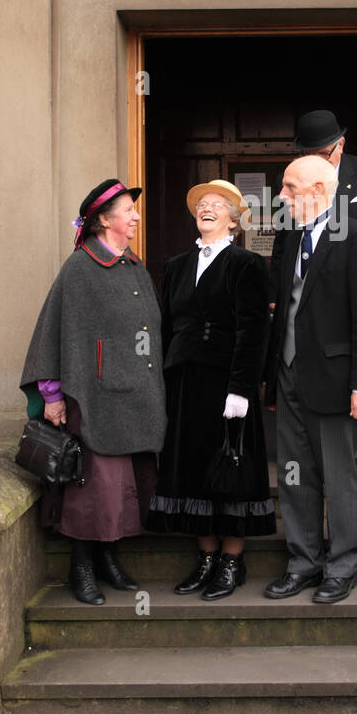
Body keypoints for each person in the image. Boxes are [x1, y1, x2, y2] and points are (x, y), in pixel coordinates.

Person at [20, 179, 167, 606]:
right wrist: (51, 395)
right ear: (104, 220)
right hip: (94, 399)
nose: (136, 216)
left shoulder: (134, 266)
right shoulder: (80, 268)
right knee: (92, 489)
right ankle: (80, 567)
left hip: (134, 398)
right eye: (127, 210)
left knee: (126, 489)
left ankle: (108, 559)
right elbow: (53, 333)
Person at [143, 179, 276, 600]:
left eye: (217, 205)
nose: (207, 208)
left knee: (230, 469)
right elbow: (167, 326)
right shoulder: (176, 265)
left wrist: (240, 389)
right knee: (193, 469)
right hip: (184, 382)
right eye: (201, 204)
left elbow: (253, 332)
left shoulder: (247, 265)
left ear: (234, 220)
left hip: (227, 385)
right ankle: (205, 558)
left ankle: (231, 561)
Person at [263, 155, 357, 604]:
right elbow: (285, 310)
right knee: (295, 477)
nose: (281, 197)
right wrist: (270, 375)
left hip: (337, 383)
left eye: (289, 188)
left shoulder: (355, 239)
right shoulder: (292, 237)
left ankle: (342, 566)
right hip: (290, 375)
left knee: (338, 479)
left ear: (318, 191)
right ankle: (303, 563)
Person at [268, 109, 357, 479]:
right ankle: (315, 456)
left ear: (340, 145)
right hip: (315, 295)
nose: (315, 160)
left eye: (323, 153)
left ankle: (354, 452)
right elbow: (284, 241)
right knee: (317, 369)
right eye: (308, 154)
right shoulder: (297, 181)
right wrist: (276, 293)